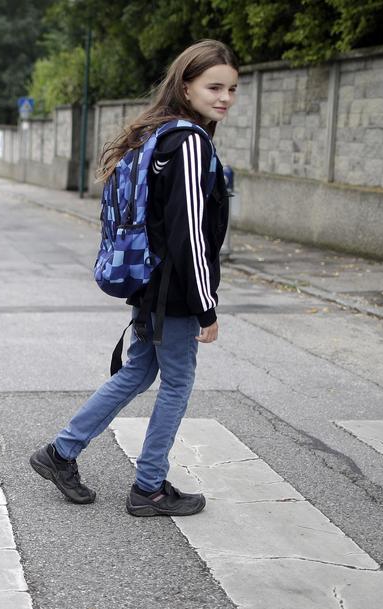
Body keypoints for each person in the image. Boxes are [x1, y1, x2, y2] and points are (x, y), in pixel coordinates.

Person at [30, 40, 238, 517]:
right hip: (174, 292)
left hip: (151, 285)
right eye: (213, 87)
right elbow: (188, 232)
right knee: (177, 382)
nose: (224, 97)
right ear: (186, 87)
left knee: (138, 371)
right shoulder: (187, 140)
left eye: (231, 88)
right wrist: (206, 303)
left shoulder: (160, 134)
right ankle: (149, 487)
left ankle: (61, 453)